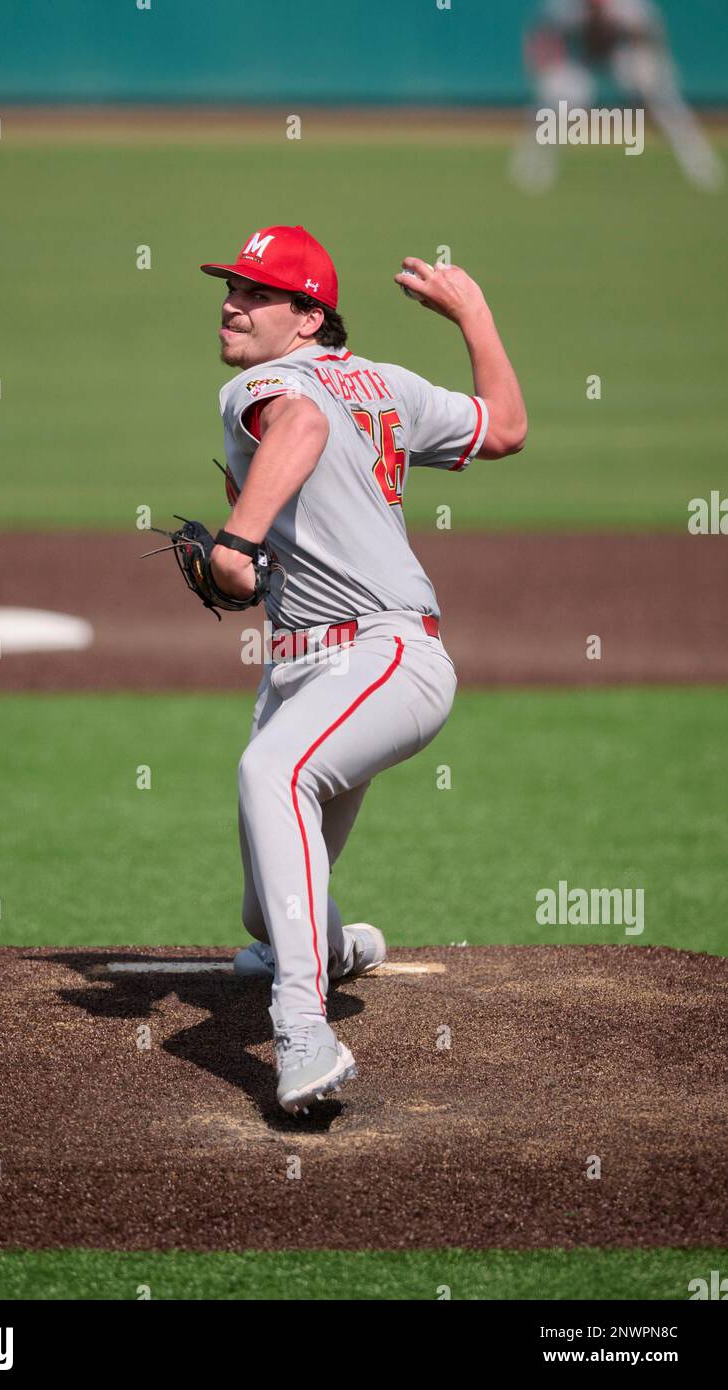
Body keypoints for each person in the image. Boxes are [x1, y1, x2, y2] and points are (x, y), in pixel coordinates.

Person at [199, 224, 526, 1114]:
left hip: (381, 656)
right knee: (266, 913)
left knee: (273, 771)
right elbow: (505, 429)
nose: (232, 303)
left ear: (308, 318)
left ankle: (304, 1033)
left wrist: (237, 541)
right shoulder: (386, 383)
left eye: (256, 293)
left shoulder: (264, 386)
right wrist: (474, 314)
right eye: (231, 287)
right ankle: (336, 952)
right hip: (311, 671)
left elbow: (300, 424)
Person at [510, 0, 723, 191]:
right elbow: (541, 35)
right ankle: (533, 166)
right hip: (581, 59)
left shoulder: (631, 7)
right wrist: (545, 69)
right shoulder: (564, 6)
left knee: (657, 90)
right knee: (558, 94)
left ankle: (698, 161)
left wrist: (654, 74)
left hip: (623, 57)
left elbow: (654, 43)